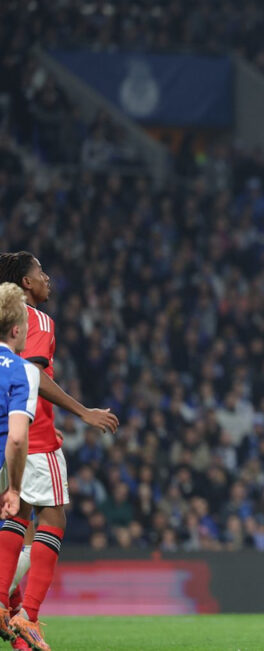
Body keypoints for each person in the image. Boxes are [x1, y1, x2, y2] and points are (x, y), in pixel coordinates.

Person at [0, 252, 119, 651]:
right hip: (35, 433)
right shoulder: (36, 320)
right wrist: (83, 412)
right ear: (26, 284)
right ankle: (27, 616)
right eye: (40, 272)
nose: (47, 278)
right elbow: (31, 373)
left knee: (17, 519)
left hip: (5, 437)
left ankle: (11, 613)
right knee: (53, 518)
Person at [0, 284, 35, 644]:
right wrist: (13, 487)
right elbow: (17, 437)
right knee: (15, 549)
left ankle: (21, 639)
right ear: (15, 329)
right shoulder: (19, 370)